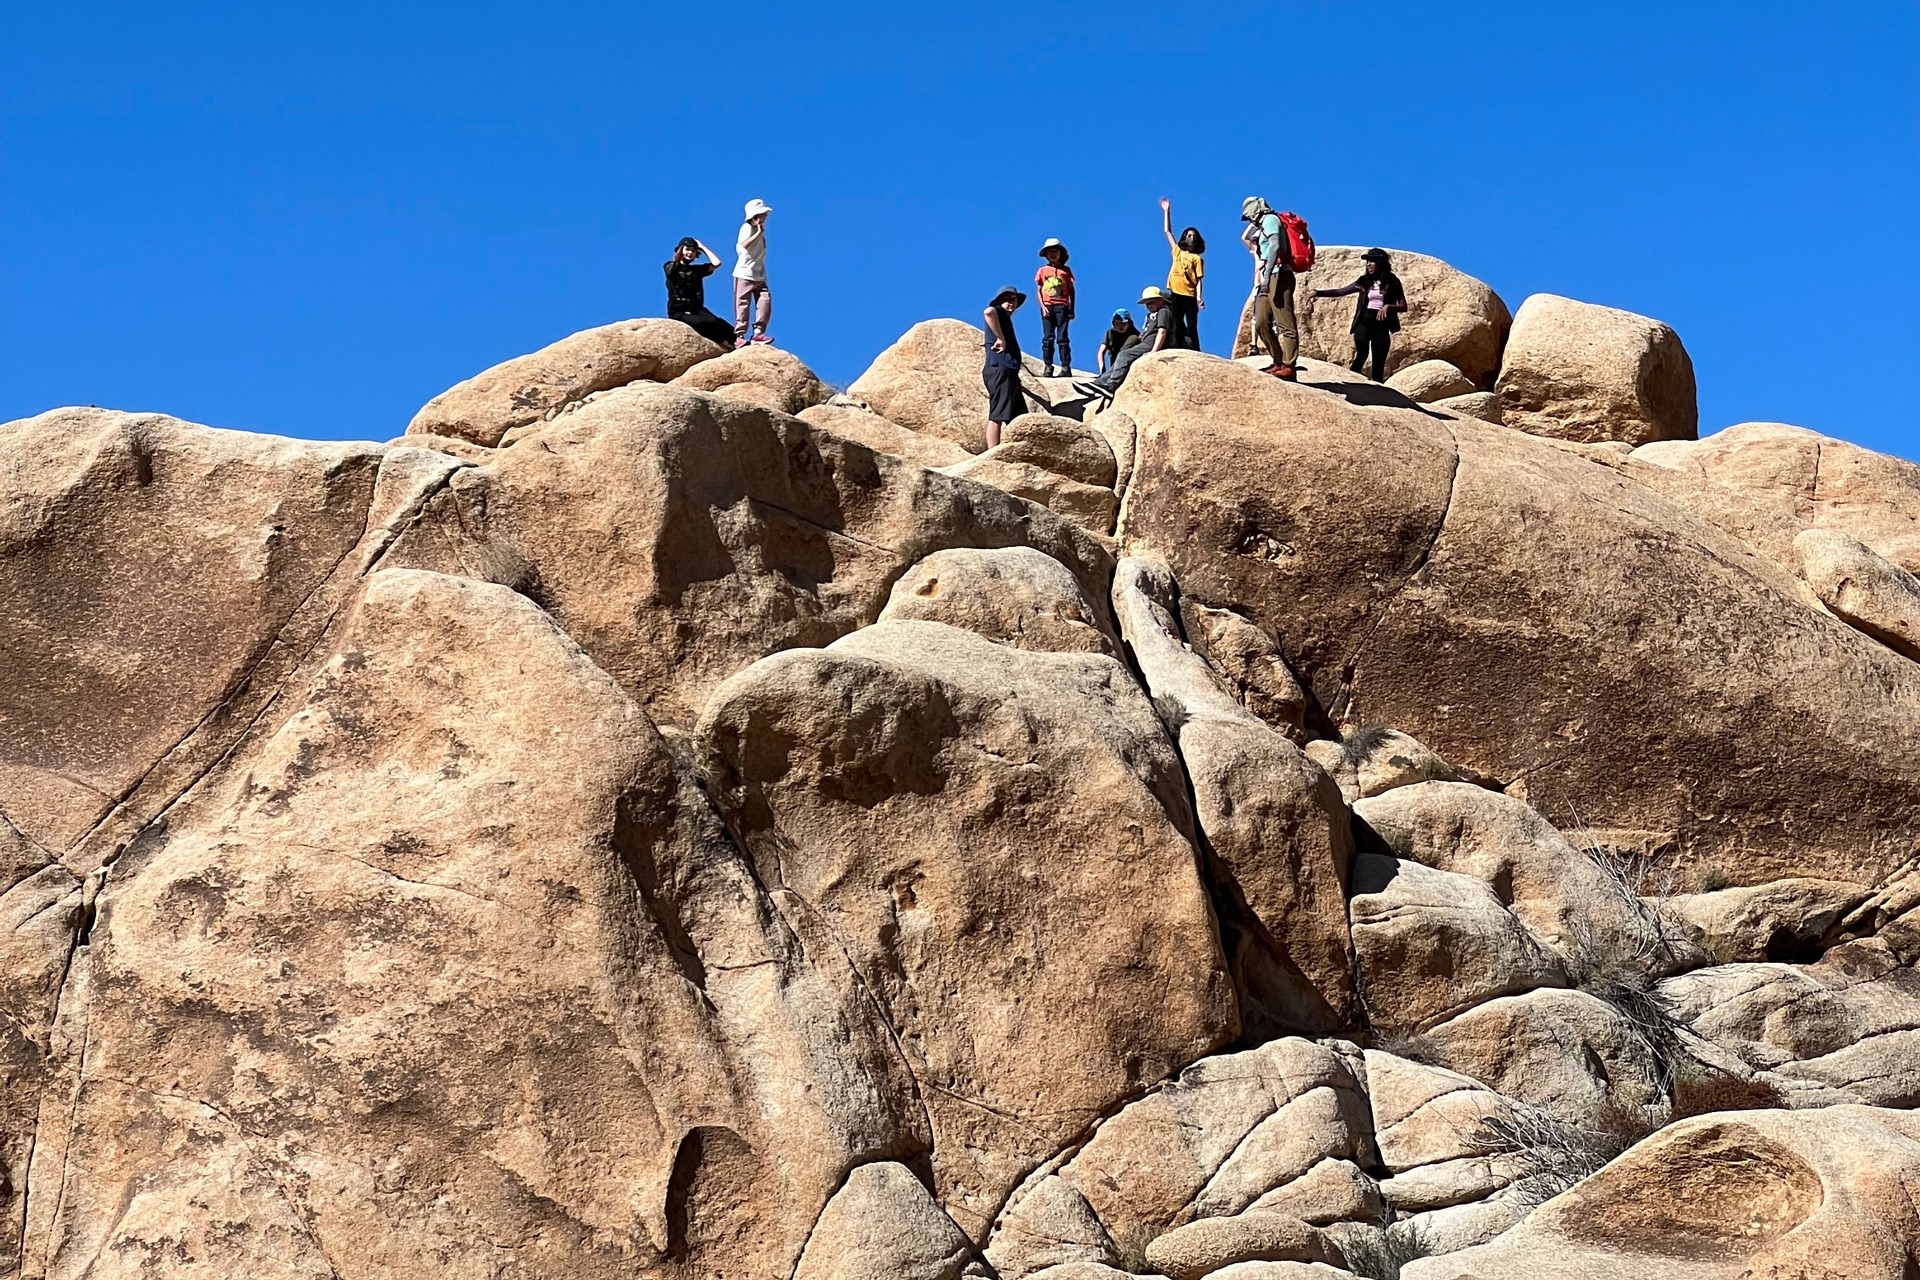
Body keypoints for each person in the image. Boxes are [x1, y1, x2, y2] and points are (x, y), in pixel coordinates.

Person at [1312, 248, 1409, 381]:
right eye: (1367, 261)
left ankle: (1377, 394)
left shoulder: (1393, 282)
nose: (1368, 264)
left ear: (1380, 263)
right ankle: (1351, 381)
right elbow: (1341, 292)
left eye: (1372, 261)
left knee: (1378, 363)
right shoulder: (1364, 281)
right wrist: (1318, 293)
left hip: (1381, 324)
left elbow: (1403, 306)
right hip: (1364, 321)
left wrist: (1388, 307)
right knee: (1362, 352)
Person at [1074, 287, 1175, 404]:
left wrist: (1153, 351)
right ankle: (1097, 384)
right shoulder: (1153, 315)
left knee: (1124, 355)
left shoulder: (1164, 311)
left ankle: (1111, 386)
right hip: (1146, 342)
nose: (1149, 304)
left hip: (1151, 344)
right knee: (1120, 360)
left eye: (1152, 301)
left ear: (1161, 300)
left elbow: (1162, 331)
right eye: (1146, 302)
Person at [1240, 196, 1298, 381]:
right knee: (1262, 322)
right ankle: (1278, 360)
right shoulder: (1261, 225)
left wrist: (1268, 274)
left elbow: (1275, 247)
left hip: (1279, 274)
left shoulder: (1271, 220)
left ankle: (1289, 366)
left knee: (1284, 321)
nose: (1249, 219)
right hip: (1267, 276)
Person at [663, 237, 736, 347]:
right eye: (687, 249)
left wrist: (702, 247)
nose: (690, 253)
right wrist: (677, 257)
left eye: (693, 250)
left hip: (696, 309)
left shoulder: (695, 271)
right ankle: (723, 343)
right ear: (681, 250)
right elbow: (670, 270)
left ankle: (736, 343)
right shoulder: (671, 267)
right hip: (679, 312)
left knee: (720, 324)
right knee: (701, 323)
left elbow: (716, 263)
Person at [982, 284, 1028, 448]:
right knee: (998, 413)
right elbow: (988, 312)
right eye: (1007, 299)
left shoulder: (1005, 319)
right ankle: (992, 452)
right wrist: (1000, 338)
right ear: (999, 301)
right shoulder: (997, 312)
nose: (1011, 303)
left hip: (1009, 372)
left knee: (1020, 417)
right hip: (1000, 369)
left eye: (1014, 300)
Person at [1159, 199, 1205, 351]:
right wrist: (1167, 212)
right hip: (1176, 292)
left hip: (1189, 294)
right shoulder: (1178, 252)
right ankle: (1178, 347)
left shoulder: (1196, 259)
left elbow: (1198, 280)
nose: (1190, 237)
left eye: (1193, 236)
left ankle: (1195, 350)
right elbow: (1167, 232)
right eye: (1188, 235)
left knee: (1192, 325)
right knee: (1177, 323)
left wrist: (1199, 297)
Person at [732, 198, 774, 347]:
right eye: (763, 214)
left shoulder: (759, 232)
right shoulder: (746, 228)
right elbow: (744, 245)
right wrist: (757, 233)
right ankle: (740, 335)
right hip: (744, 273)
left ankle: (758, 333)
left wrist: (759, 232)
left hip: (758, 274)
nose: (765, 217)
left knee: (765, 300)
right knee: (742, 303)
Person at [1033, 239, 1076, 377]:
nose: (1052, 254)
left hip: (1062, 306)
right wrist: (1042, 306)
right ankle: (1048, 366)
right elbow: (1039, 290)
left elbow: (1071, 290)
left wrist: (1072, 308)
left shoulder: (1066, 271)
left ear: (1060, 253)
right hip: (1047, 306)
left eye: (1055, 251)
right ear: (1046, 254)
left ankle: (1065, 367)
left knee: (1062, 338)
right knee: (1048, 338)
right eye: (1049, 252)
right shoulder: (1042, 271)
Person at [1099, 307, 1141, 373]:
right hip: (1113, 369)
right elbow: (1101, 352)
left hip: (1129, 370)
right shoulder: (1111, 333)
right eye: (1117, 324)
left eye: (1123, 324)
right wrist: (1102, 370)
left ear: (1129, 323)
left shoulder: (1135, 336)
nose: (1120, 326)